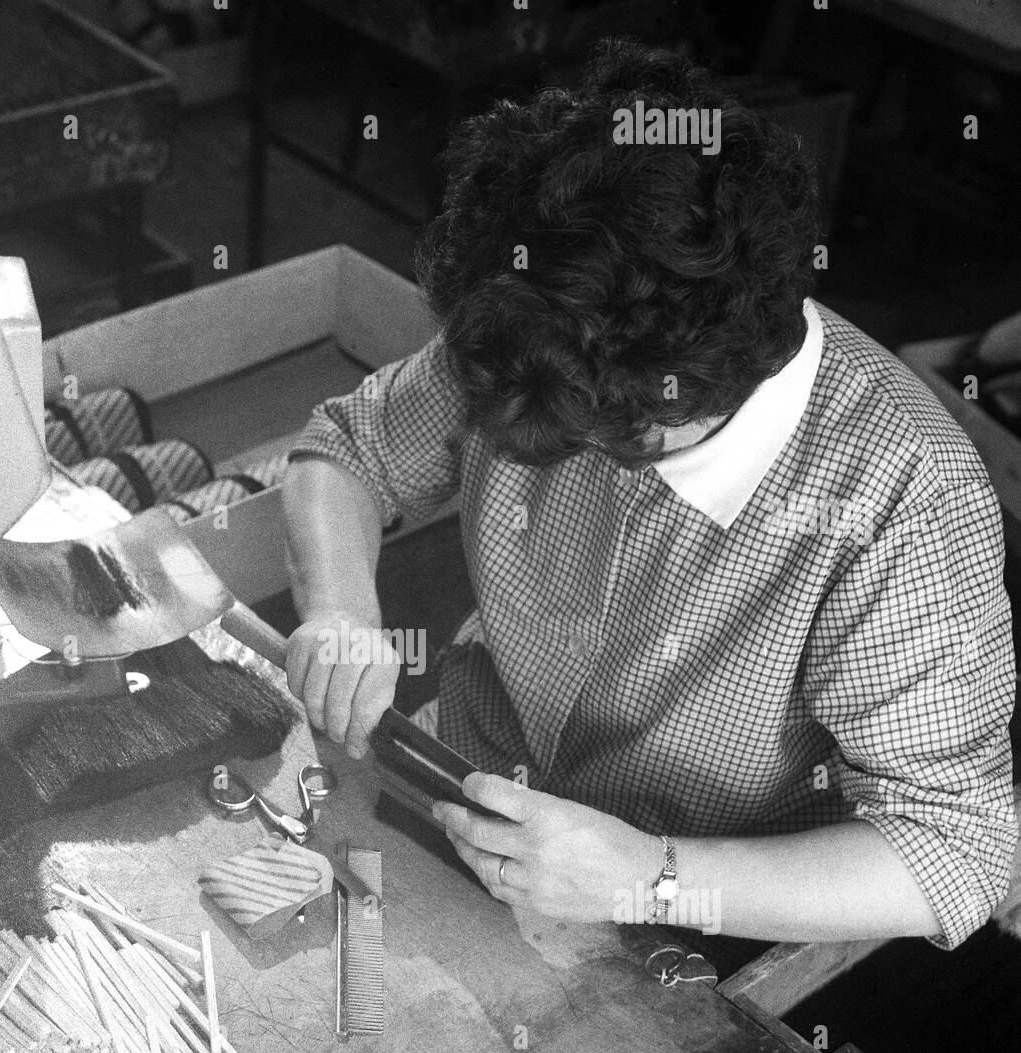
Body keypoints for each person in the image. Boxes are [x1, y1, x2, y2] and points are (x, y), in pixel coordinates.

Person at [279, 38, 1016, 949]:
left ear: (696, 388)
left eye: (591, 437)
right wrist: (343, 609)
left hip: (701, 908)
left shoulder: (900, 496)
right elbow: (345, 449)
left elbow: (957, 849)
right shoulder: (544, 318)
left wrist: (649, 878)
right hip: (462, 787)